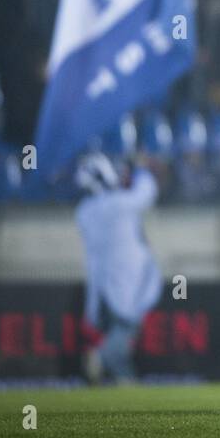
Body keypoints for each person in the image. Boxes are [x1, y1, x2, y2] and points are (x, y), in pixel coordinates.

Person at [75, 154, 161, 384]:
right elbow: (147, 193)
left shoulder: (84, 211)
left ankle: (124, 380)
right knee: (126, 329)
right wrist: (139, 171)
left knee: (122, 333)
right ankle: (103, 358)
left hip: (103, 283)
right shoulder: (118, 204)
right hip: (129, 281)